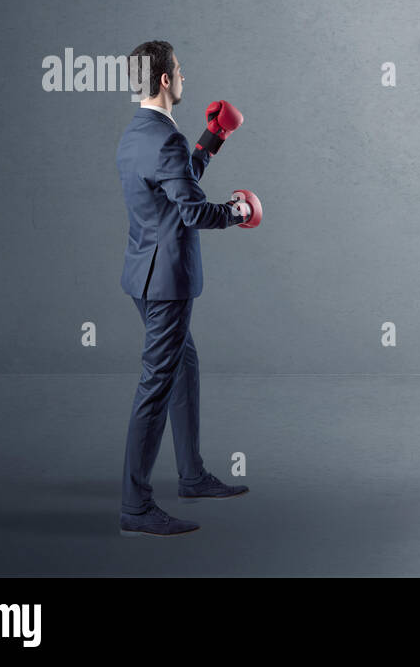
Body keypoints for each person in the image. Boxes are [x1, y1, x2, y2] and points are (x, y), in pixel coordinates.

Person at [115, 40, 263, 538]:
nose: (183, 76)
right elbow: (194, 210)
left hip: (143, 275)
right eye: (177, 70)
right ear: (163, 80)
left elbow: (180, 183)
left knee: (183, 366)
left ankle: (192, 475)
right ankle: (136, 506)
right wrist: (238, 213)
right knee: (155, 385)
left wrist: (213, 136)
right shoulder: (164, 140)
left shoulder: (136, 135)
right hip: (168, 281)